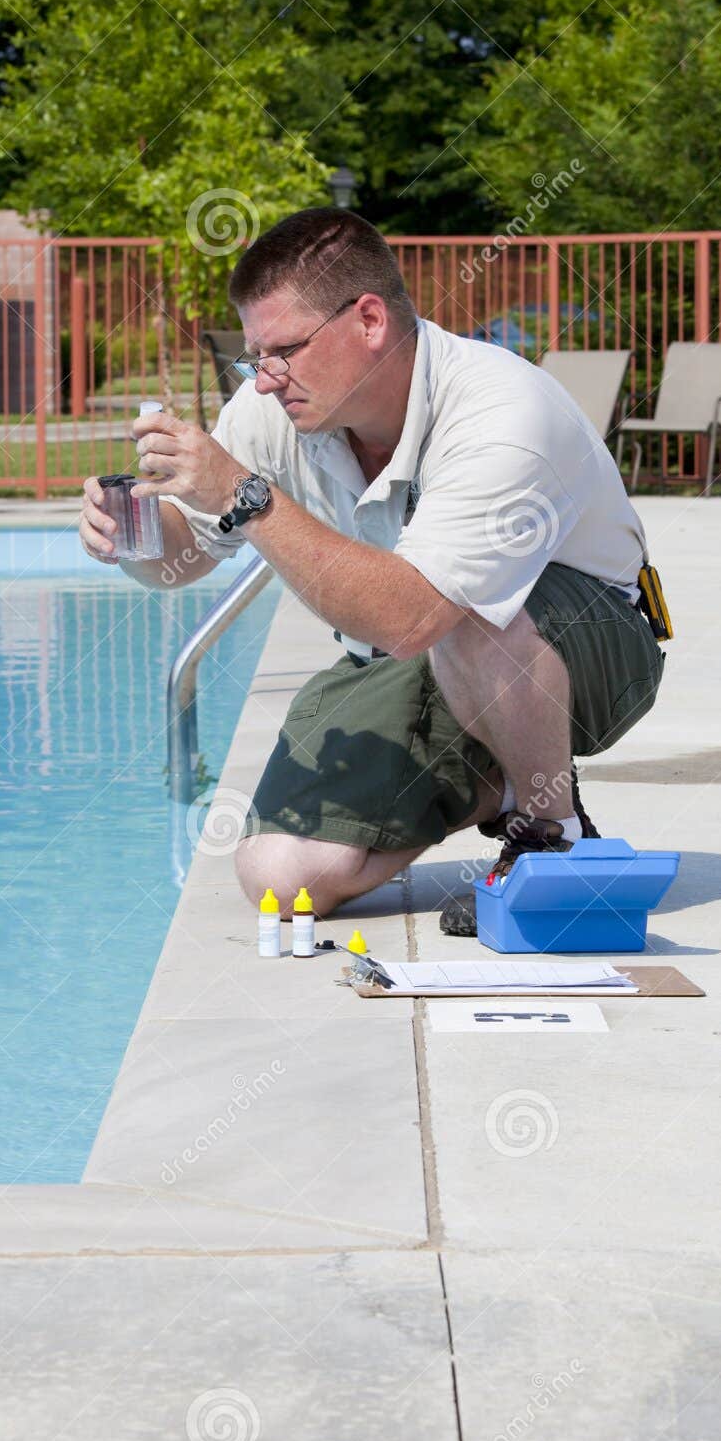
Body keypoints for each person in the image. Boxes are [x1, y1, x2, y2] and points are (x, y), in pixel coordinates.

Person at [79, 207, 666, 935]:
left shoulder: (499, 412)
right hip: (417, 654)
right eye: (253, 357)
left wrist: (245, 495)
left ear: (368, 321)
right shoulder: (275, 408)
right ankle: (494, 782)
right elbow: (188, 556)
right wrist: (131, 540)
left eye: (282, 351)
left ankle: (552, 830)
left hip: (588, 653)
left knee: (464, 611)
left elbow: (413, 615)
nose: (264, 381)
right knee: (279, 880)